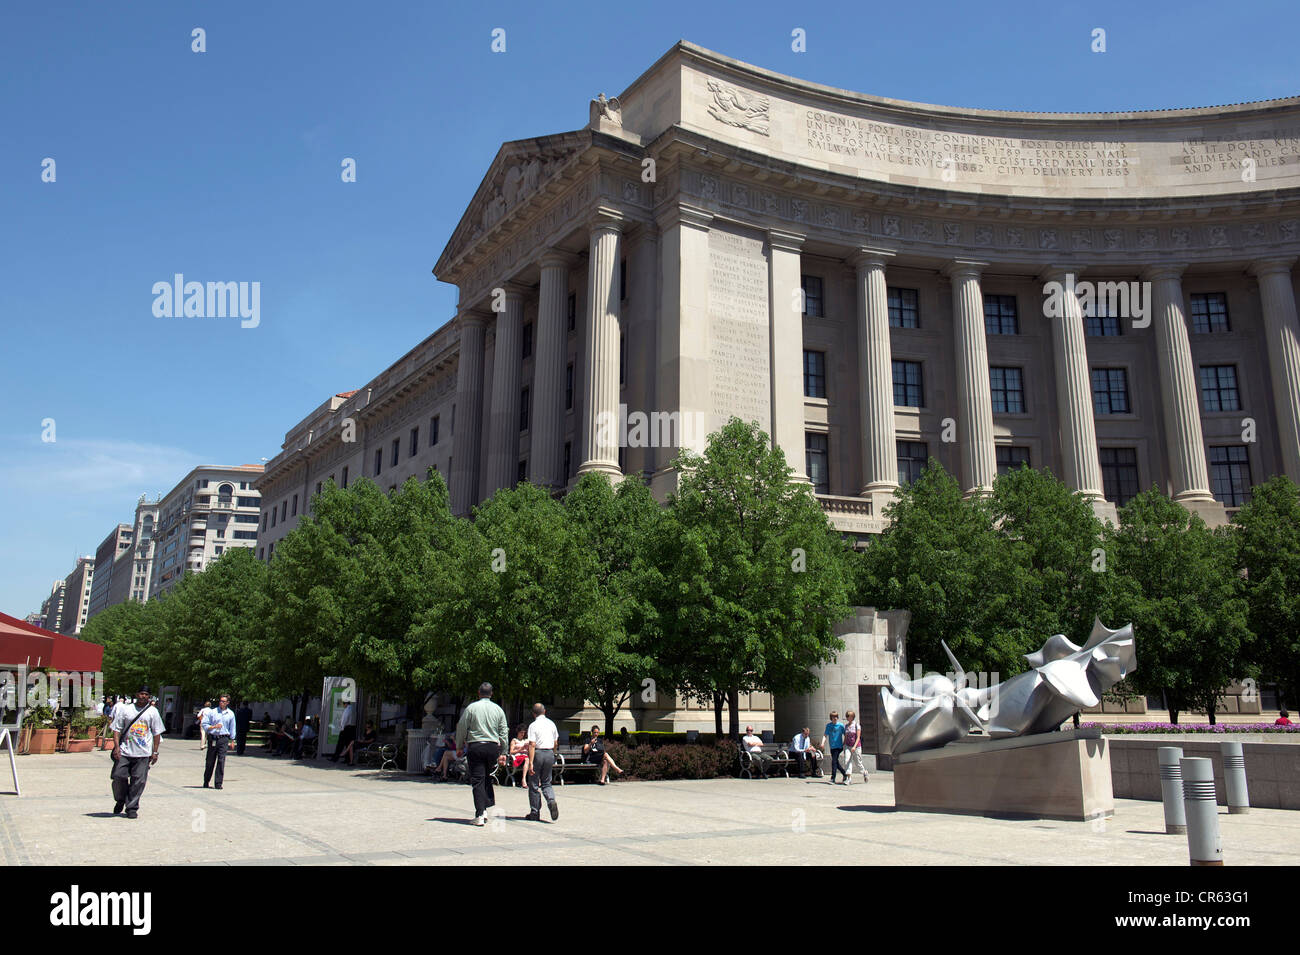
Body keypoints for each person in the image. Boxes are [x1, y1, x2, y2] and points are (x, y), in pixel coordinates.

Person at [454, 682, 509, 826]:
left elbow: (462, 727)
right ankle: (484, 808)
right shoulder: (498, 709)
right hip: (492, 747)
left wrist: (459, 746)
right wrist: (503, 751)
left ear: (479, 693)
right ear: (491, 694)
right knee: (486, 777)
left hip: (476, 746)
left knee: (477, 779)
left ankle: (479, 813)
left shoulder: (471, 708)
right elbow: (504, 731)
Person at [110, 685, 165, 819]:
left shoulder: (153, 712)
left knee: (138, 781)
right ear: (136, 694)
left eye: (146, 694)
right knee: (118, 776)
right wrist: (117, 747)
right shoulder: (126, 710)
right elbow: (117, 729)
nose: (143, 696)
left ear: (149, 697)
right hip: (125, 751)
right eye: (141, 694)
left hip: (143, 753)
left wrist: (155, 752)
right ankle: (120, 799)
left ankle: (132, 807)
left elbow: (157, 733)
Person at [525, 703, 559, 822]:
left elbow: (532, 744)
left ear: (533, 713)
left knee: (534, 784)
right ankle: (551, 800)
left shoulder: (533, 725)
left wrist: (530, 762)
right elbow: (555, 742)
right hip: (549, 753)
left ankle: (535, 812)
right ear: (544, 711)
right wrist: (553, 754)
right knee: (546, 782)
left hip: (538, 754)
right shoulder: (551, 724)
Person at [202, 694, 236, 789]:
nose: (221, 702)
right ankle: (206, 781)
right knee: (210, 761)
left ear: (227, 703)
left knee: (221, 760)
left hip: (223, 738)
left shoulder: (230, 714)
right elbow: (204, 723)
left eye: (224, 701)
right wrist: (213, 727)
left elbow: (232, 727)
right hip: (213, 737)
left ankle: (218, 783)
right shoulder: (213, 712)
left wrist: (232, 740)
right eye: (220, 701)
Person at [842, 708, 867, 785]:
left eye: (849, 716)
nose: (847, 718)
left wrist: (854, 746)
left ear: (852, 717)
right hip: (847, 746)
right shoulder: (846, 726)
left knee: (858, 762)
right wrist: (844, 744)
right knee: (847, 761)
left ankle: (864, 772)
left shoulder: (856, 725)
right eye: (847, 716)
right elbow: (846, 736)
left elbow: (858, 737)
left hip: (856, 746)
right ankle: (849, 779)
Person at [822, 711, 846, 784]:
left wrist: (844, 743)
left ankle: (833, 778)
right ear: (831, 718)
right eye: (833, 717)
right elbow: (825, 735)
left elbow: (846, 735)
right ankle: (845, 774)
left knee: (834, 762)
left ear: (837, 718)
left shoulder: (841, 725)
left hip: (839, 746)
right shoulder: (829, 726)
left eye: (836, 717)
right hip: (832, 746)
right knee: (836, 762)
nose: (834, 718)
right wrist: (822, 743)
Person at [329, 698, 355, 762]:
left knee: (340, 744)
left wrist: (342, 728)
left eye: (343, 704)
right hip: (351, 728)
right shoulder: (352, 709)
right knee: (347, 744)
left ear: (345, 703)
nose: (343, 706)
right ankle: (347, 759)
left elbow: (344, 719)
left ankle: (335, 758)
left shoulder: (347, 709)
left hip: (346, 728)